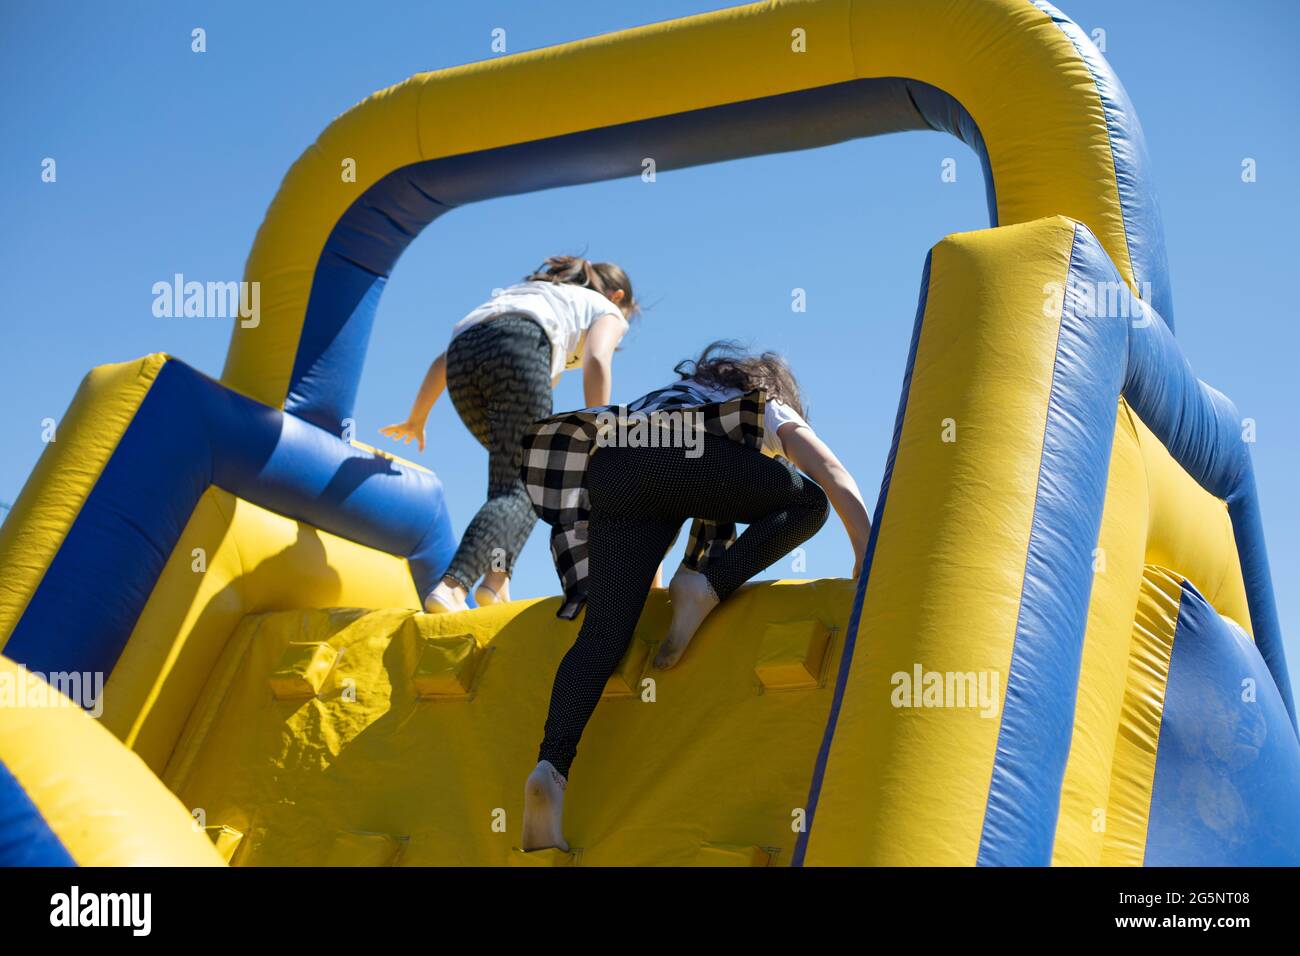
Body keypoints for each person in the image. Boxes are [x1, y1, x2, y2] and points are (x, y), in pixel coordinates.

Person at [517, 341, 873, 851]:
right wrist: (865, 552)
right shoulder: (763, 403)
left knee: (604, 635)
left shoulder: (666, 395)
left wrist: (642, 589)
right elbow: (832, 475)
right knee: (807, 504)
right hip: (682, 461)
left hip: (613, 468)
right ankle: (707, 585)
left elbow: (654, 490)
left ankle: (551, 766)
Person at [381, 256, 636, 613]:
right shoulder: (605, 309)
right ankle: (452, 587)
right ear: (618, 296)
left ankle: (497, 580)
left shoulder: (535, 297)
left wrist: (417, 417)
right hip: (519, 347)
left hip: (463, 362)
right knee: (527, 482)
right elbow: (596, 359)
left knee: (516, 478)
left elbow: (445, 358)